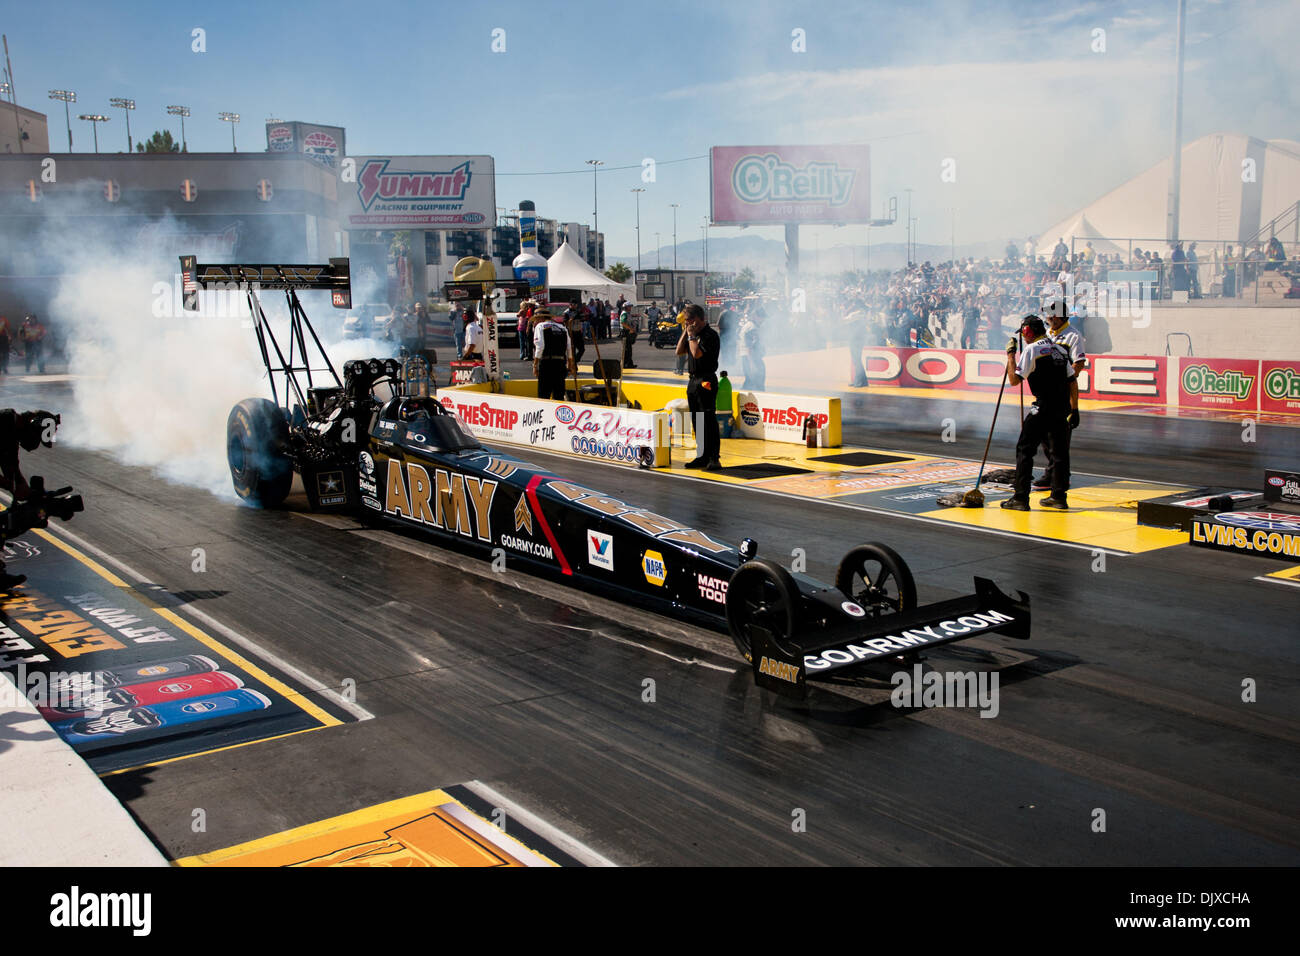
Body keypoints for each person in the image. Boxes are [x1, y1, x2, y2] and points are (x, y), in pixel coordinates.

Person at [1001, 315, 1077, 511]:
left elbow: (1014, 380)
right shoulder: (1059, 349)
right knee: (1059, 454)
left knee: (1024, 450)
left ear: (1028, 332)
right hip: (1062, 408)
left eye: (1023, 334)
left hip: (1043, 407)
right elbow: (1072, 380)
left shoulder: (1032, 349)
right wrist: (1075, 408)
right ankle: (1059, 497)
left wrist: (1010, 355)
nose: (1023, 338)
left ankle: (1020, 498)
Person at [1034, 299, 1087, 492]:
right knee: (1044, 435)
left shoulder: (1073, 335)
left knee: (1059, 438)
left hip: (1062, 392)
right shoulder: (1047, 333)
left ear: (1059, 316)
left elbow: (1079, 363)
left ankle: (1056, 475)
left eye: (1050, 314)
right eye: (1047, 314)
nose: (1047, 317)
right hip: (1045, 392)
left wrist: (1062, 379)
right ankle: (1057, 473)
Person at [677, 304, 721, 470]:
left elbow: (696, 353)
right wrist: (685, 332)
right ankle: (702, 455)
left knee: (708, 419)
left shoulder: (709, 335)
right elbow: (679, 351)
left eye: (690, 320)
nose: (688, 323)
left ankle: (714, 457)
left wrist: (691, 335)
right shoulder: (692, 334)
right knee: (697, 420)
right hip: (693, 379)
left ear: (698, 319)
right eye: (686, 321)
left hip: (706, 379)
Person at [532, 309, 574, 401]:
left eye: (536, 319)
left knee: (544, 395)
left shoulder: (540, 326)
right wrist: (570, 365)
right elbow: (569, 347)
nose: (535, 322)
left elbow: (540, 346)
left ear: (541, 318)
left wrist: (535, 365)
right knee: (559, 395)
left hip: (546, 363)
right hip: (560, 363)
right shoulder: (562, 327)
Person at [737, 307, 765, 390]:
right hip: (751, 358)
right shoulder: (752, 328)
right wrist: (752, 363)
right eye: (761, 317)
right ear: (755, 316)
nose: (763, 320)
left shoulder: (748, 325)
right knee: (757, 381)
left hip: (747, 357)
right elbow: (750, 347)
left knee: (750, 381)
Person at [620, 304, 638, 369]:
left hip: (628, 332)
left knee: (629, 349)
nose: (630, 307)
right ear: (626, 307)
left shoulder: (627, 313)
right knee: (626, 349)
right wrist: (630, 329)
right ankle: (625, 364)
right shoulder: (624, 314)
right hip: (625, 332)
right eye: (629, 306)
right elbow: (623, 322)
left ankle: (629, 364)